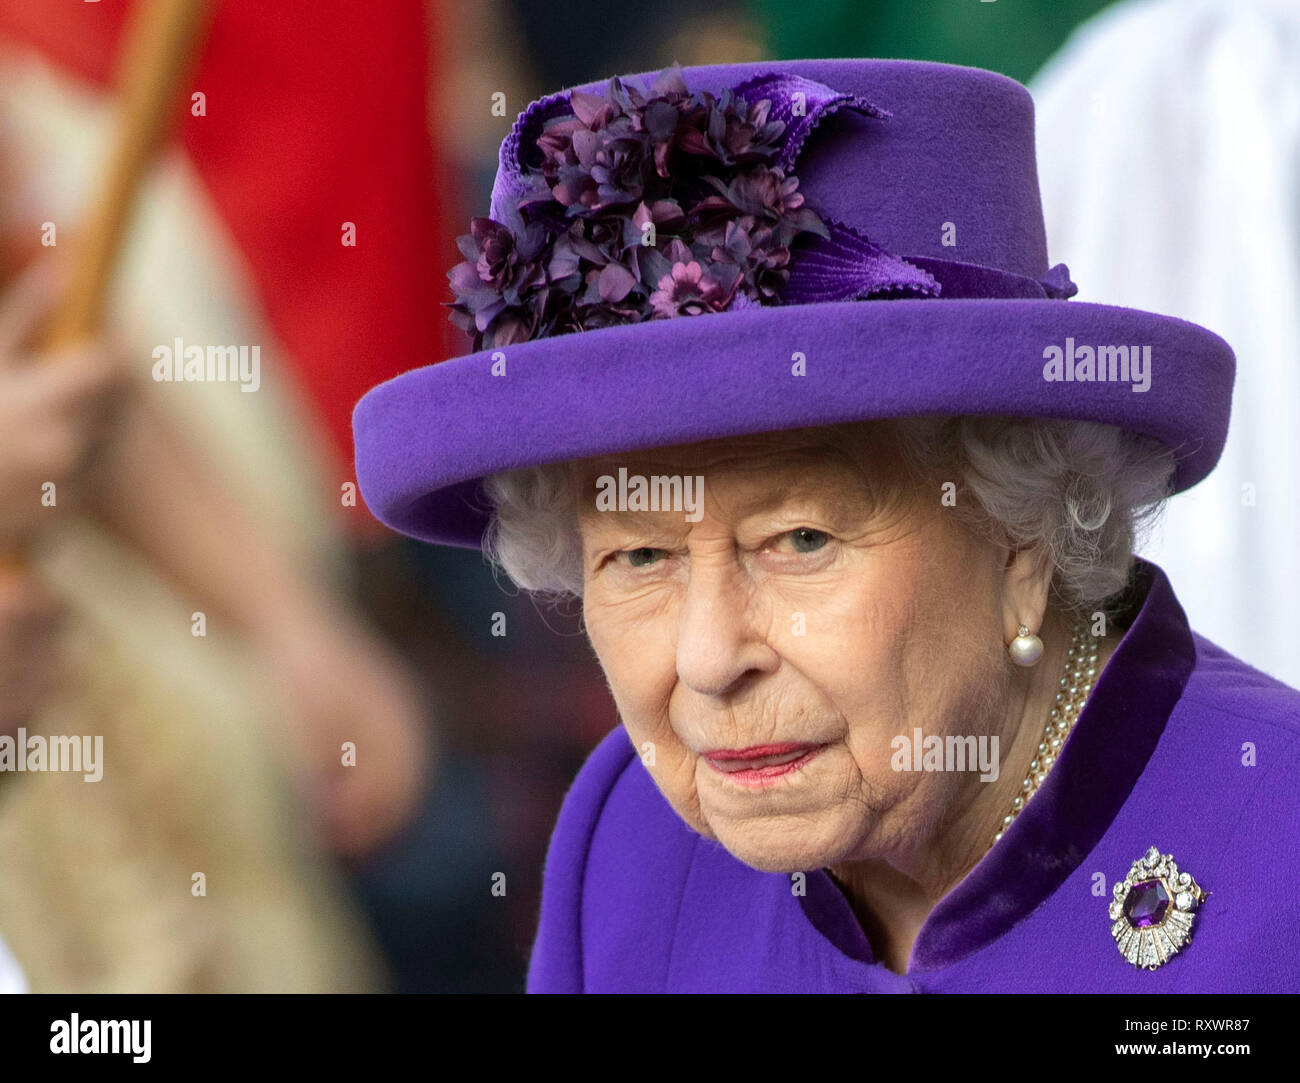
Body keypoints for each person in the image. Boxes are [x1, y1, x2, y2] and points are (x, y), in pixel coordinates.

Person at [353, 59, 1300, 992]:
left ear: (1028, 534)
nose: (711, 658)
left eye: (800, 540)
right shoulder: (632, 840)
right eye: (640, 555)